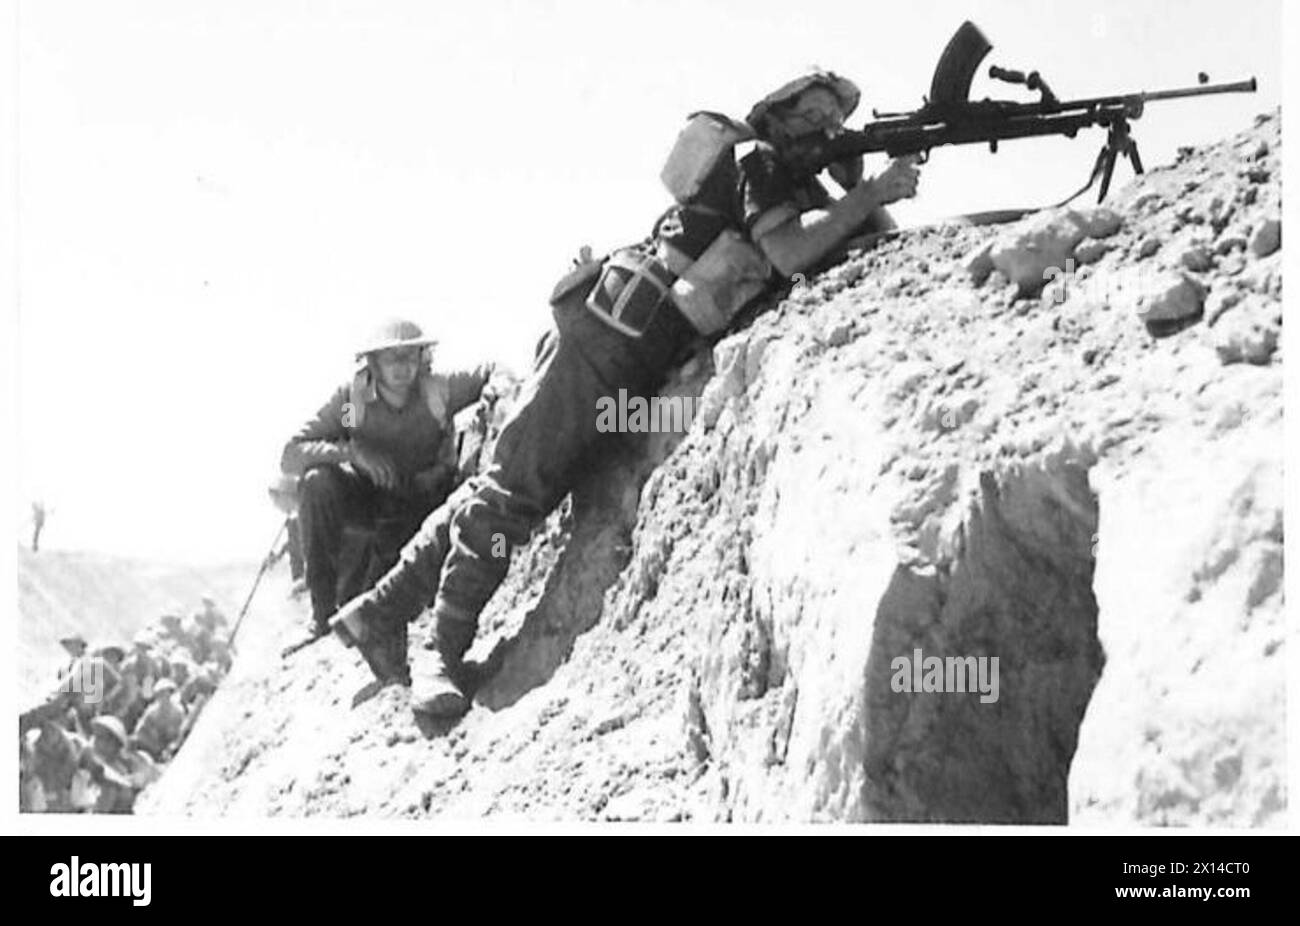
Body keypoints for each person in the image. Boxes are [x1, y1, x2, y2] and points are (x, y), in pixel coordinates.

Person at [332, 71, 922, 717]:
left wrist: (855, 184)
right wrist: (867, 192)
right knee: (513, 495)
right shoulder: (759, 162)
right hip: (607, 341)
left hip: (632, 353)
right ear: (776, 118)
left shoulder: (790, 180)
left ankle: (379, 611)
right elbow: (788, 252)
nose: (823, 130)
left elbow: (874, 240)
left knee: (511, 482)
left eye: (834, 123)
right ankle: (440, 653)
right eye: (810, 118)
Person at [280, 318, 492, 635]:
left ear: (422, 358)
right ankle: (322, 614)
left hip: (424, 503)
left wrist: (499, 387)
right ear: (374, 363)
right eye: (391, 357)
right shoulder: (352, 403)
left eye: (410, 356)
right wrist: (352, 454)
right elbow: (291, 455)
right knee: (316, 483)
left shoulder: (438, 391)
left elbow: (491, 370)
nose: (402, 366)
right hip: (371, 500)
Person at [131, 679, 184, 762]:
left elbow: (178, 734)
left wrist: (170, 748)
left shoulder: (178, 712)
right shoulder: (152, 712)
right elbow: (139, 730)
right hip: (148, 746)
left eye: (166, 693)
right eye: (160, 694)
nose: (164, 696)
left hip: (163, 751)